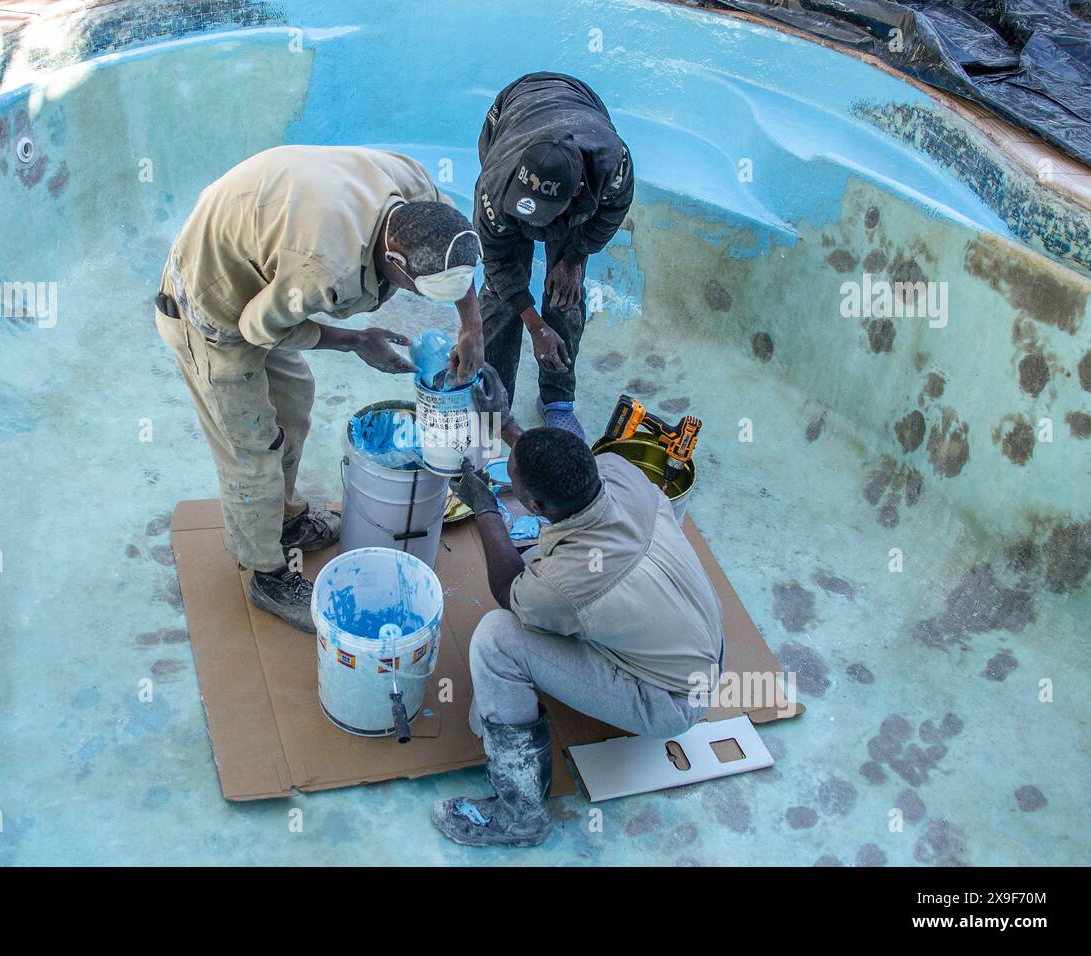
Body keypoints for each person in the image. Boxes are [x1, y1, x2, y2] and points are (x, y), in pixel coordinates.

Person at [155, 145, 485, 632]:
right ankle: (266, 575)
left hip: (261, 249)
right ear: (394, 262)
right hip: (212, 306)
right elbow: (255, 330)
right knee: (252, 447)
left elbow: (453, 238)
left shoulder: (414, 193)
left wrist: (471, 325)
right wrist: (355, 341)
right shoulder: (322, 271)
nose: (418, 298)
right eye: (419, 289)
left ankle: (285, 519)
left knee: (294, 403)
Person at [431, 367, 724, 847]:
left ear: (540, 505)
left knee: (496, 638)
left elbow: (510, 593)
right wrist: (506, 423)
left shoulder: (564, 586)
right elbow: (560, 469)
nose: (513, 497)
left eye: (517, 495)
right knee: (535, 562)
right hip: (703, 646)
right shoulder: (617, 471)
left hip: (672, 700)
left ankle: (520, 813)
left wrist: (485, 508)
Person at [473, 72, 634, 439]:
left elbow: (611, 213)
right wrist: (534, 324)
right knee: (501, 297)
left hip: (582, 108)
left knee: (567, 291)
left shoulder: (612, 165)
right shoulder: (497, 185)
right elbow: (497, 260)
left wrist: (574, 258)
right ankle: (494, 407)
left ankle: (557, 400)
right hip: (512, 112)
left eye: (543, 212)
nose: (532, 221)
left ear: (577, 192)